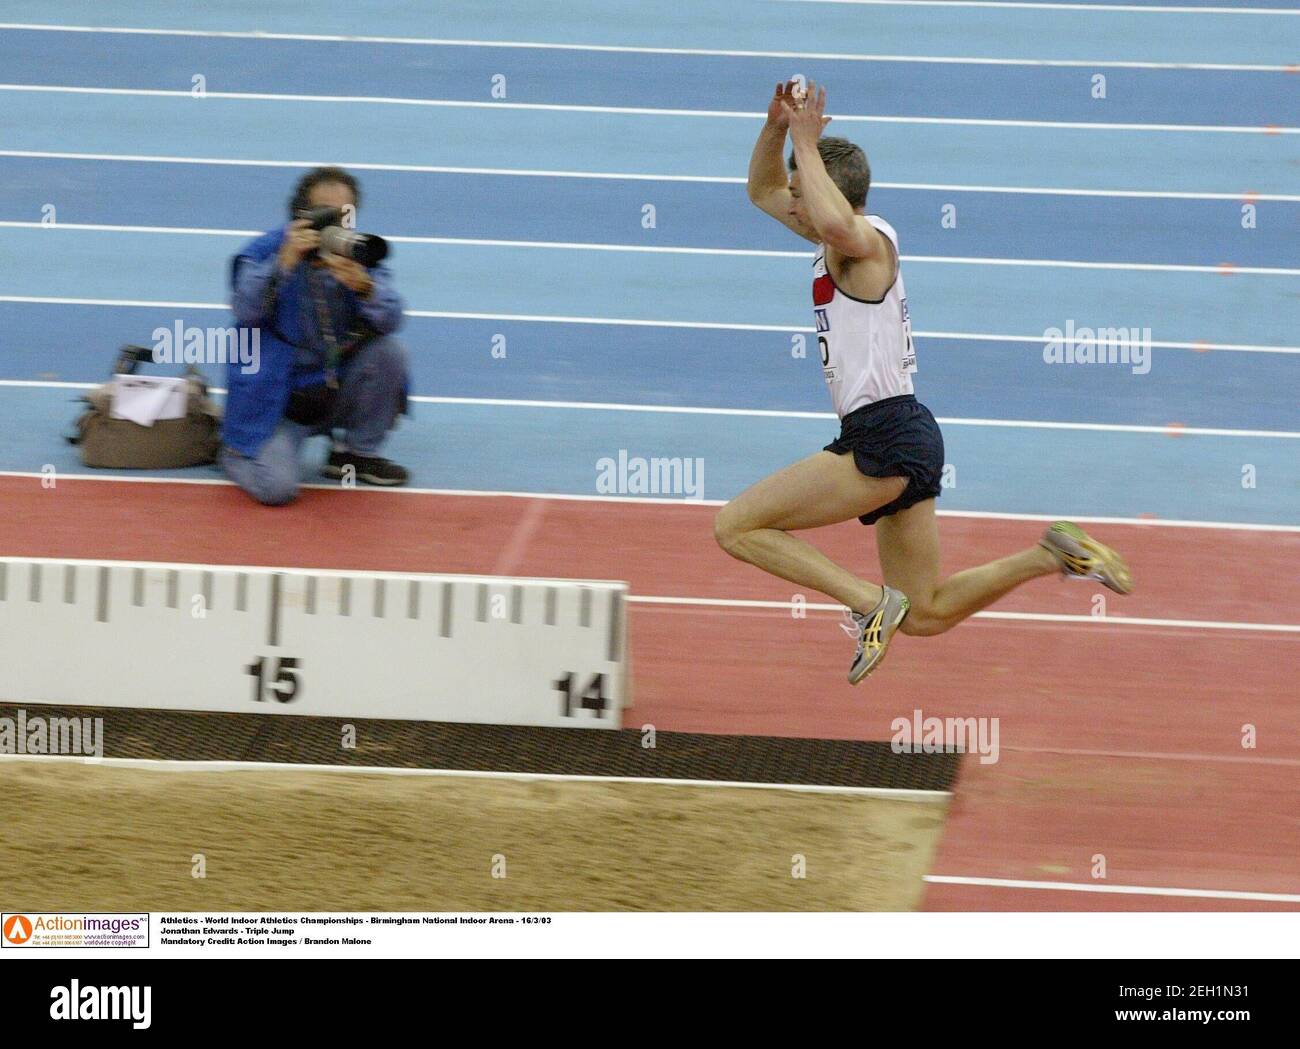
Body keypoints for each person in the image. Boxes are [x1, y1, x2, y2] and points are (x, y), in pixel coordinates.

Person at [714, 81, 1132, 683]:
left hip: (883, 436)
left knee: (736, 526)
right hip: (908, 435)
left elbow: (834, 223)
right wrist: (779, 127)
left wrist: (807, 143)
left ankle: (867, 602)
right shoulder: (832, 236)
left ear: (831, 193)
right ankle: (1050, 555)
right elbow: (760, 190)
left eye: (802, 194)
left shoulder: (870, 243)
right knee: (927, 614)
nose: (793, 207)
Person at [222, 166, 411, 505]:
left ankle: (354, 455)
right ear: (300, 215)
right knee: (276, 488)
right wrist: (284, 263)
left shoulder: (355, 253)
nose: (337, 225)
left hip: (333, 385)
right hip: (277, 399)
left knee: (389, 352)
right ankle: (234, 451)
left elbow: (393, 318)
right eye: (326, 214)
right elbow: (245, 309)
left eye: (346, 215)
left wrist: (364, 287)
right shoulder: (264, 251)